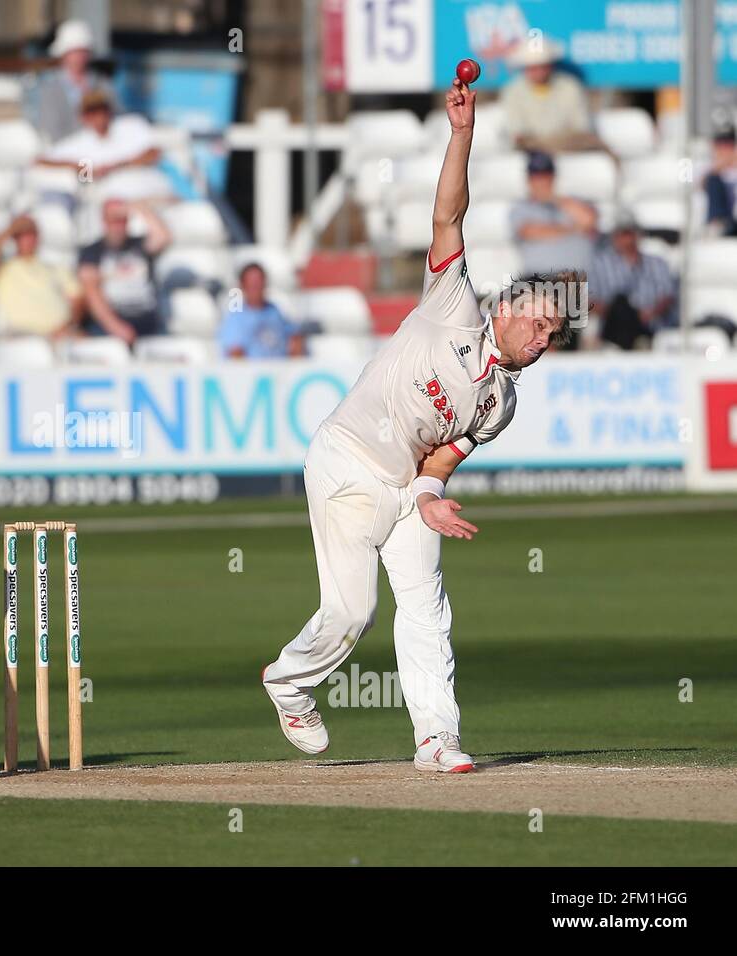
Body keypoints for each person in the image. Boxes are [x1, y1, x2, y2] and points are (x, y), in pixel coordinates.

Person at [262, 77, 581, 773]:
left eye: (555, 335)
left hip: (408, 486)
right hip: (346, 460)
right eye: (541, 323)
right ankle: (289, 682)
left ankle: (437, 738)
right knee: (351, 614)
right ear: (511, 304)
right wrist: (462, 134)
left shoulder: (502, 402)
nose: (543, 339)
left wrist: (431, 499)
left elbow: (441, 458)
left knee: (428, 608)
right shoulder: (453, 303)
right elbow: (448, 219)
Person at [37, 91, 170, 201]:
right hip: (115, 203)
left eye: (101, 110)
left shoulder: (130, 125)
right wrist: (84, 168)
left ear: (109, 110)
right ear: (83, 117)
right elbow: (41, 161)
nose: (98, 117)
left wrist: (116, 166)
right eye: (91, 112)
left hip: (153, 192)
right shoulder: (79, 143)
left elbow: (154, 153)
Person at [77, 198, 170, 343]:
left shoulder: (139, 244)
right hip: (112, 323)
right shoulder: (91, 252)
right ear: (104, 221)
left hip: (147, 319)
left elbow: (163, 237)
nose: (118, 226)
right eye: (114, 220)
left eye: (123, 220)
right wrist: (114, 326)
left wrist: (137, 208)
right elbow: (91, 292)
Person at [588, 212, 677, 350]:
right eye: (621, 234)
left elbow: (668, 296)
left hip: (649, 324)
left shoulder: (657, 263)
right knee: (621, 304)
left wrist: (650, 313)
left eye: (629, 233)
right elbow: (590, 301)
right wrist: (615, 313)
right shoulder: (600, 264)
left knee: (624, 308)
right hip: (613, 325)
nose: (625, 239)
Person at [0, 214, 83, 338]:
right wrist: (11, 229)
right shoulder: (4, 269)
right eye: (22, 235)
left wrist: (69, 325)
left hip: (61, 333)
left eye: (32, 234)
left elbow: (78, 299)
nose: (29, 239)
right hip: (22, 335)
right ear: (15, 239)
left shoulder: (54, 268)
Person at [499, 35, 601, 153]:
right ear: (525, 68)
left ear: (551, 65)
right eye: (533, 67)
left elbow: (582, 126)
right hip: (531, 154)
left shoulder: (570, 86)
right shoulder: (513, 91)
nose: (539, 71)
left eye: (543, 66)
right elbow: (516, 131)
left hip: (570, 151)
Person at [510, 150, 598, 275]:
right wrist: (575, 229)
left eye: (546, 176)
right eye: (537, 177)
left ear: (553, 177)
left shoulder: (571, 202)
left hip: (574, 278)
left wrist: (555, 198)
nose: (542, 182)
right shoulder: (521, 208)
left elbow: (589, 220)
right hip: (539, 279)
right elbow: (532, 232)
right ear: (529, 180)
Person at [33, 19, 114, 145]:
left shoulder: (102, 84)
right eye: (74, 52)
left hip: (104, 150)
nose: (79, 57)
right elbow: (51, 130)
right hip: (69, 153)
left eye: (83, 51)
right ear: (63, 54)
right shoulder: (50, 89)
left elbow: (118, 119)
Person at [219, 263, 303, 358]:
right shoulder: (236, 318)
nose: (257, 288)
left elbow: (294, 336)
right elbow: (235, 355)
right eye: (253, 285)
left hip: (280, 370)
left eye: (260, 283)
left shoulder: (274, 311)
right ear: (242, 286)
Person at [702, 126, 737, 237]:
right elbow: (687, 185)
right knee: (714, 181)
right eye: (720, 144)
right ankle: (717, 224)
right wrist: (716, 169)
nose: (724, 149)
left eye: (728, 145)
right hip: (723, 221)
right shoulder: (704, 166)